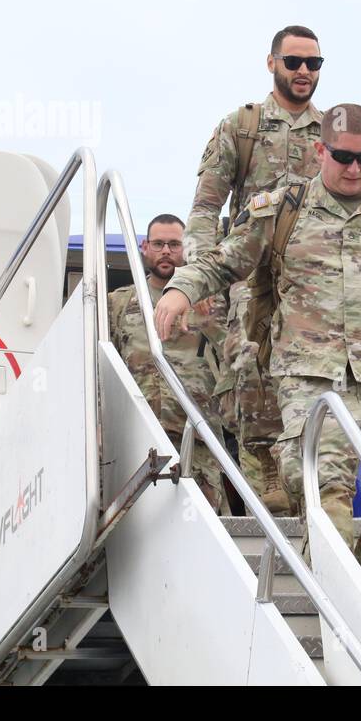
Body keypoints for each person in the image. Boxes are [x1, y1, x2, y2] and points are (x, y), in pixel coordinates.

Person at [155, 103, 361, 625]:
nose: (354, 168)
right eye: (344, 156)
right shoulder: (282, 210)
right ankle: (342, 600)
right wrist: (181, 289)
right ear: (321, 150)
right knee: (326, 488)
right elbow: (227, 260)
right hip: (310, 377)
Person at [183, 24, 325, 515]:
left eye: (314, 64)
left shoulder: (331, 135)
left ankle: (311, 495)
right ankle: (267, 492)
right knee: (250, 376)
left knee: (314, 383)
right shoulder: (240, 127)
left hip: (312, 285)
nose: (304, 71)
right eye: (294, 62)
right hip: (249, 278)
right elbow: (205, 208)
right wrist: (203, 276)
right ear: (272, 64)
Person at [108, 213, 228, 512]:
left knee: (201, 529)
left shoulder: (214, 303)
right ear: (145, 248)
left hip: (197, 441)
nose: (166, 251)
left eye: (174, 244)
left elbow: (235, 362)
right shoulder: (118, 304)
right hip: (136, 441)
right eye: (159, 244)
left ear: (186, 249)